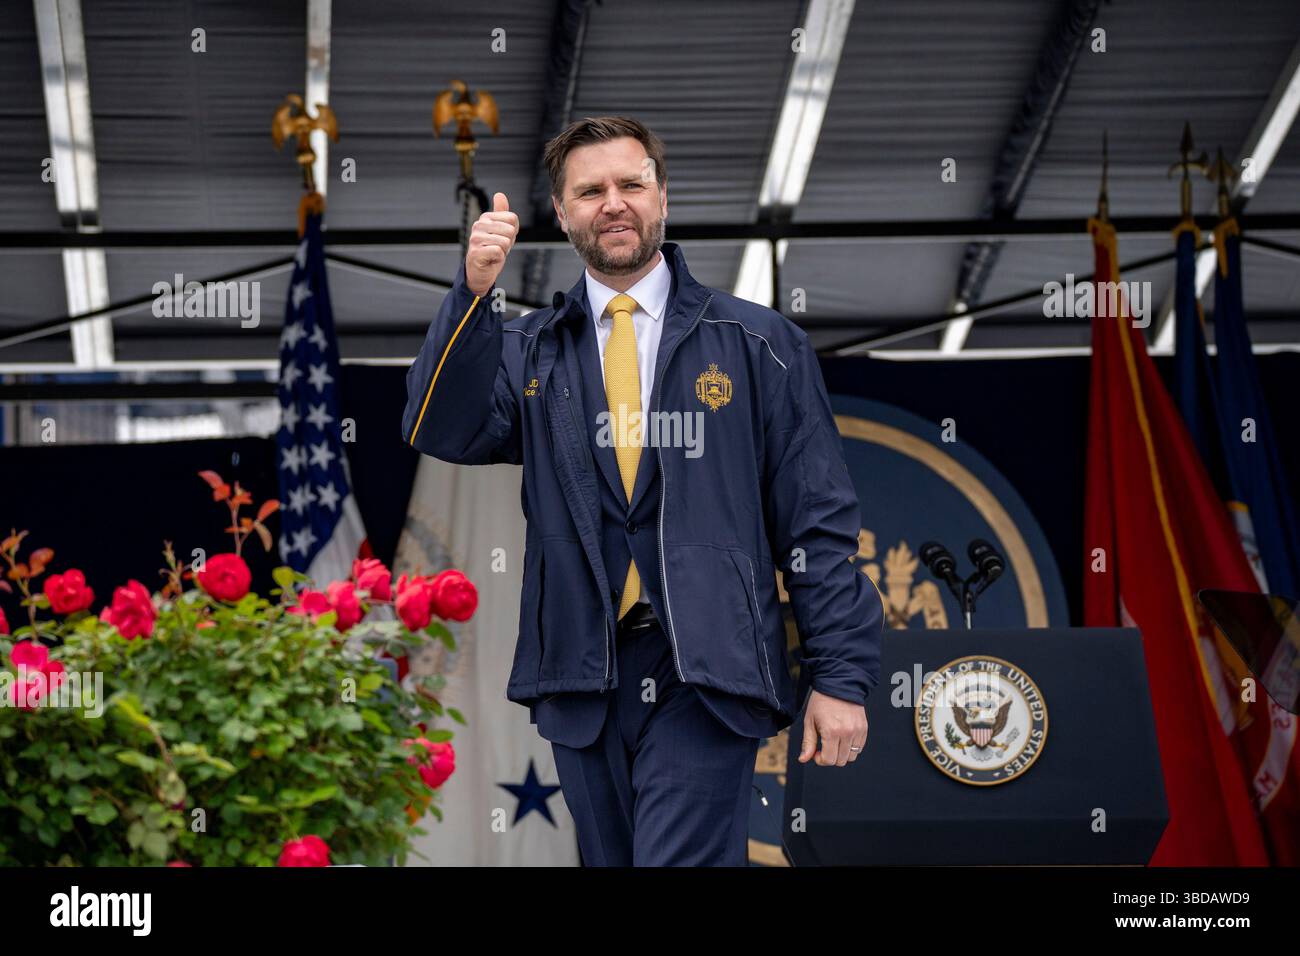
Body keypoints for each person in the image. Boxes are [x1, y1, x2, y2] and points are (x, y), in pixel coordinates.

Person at [403, 116, 884, 866]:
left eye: (631, 183)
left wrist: (842, 677)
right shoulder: (529, 347)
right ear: (561, 216)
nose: (614, 202)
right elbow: (443, 428)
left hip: (706, 666)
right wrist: (471, 297)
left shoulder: (759, 344)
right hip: (581, 671)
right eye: (590, 191)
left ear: (663, 196)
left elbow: (815, 524)